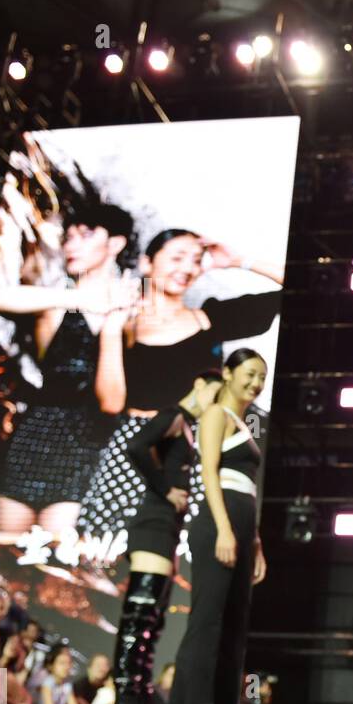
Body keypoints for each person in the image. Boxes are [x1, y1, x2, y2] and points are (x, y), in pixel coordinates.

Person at [76, 230, 282, 543]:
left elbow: (303, 290)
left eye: (196, 260)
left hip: (198, 448)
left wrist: (239, 261)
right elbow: (110, 403)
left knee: (188, 550)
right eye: (176, 257)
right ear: (147, 263)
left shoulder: (211, 318)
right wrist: (112, 329)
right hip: (136, 450)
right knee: (108, 548)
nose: (187, 267)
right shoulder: (121, 325)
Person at [0, 202, 139, 544]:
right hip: (35, 434)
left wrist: (112, 325)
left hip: (92, 442)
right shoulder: (54, 304)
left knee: (60, 566)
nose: (71, 245)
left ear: (116, 243)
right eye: (68, 236)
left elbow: (112, 402)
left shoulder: (136, 310)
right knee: (4, 552)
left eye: (85, 234)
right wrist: (78, 299)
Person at [103, 369, 224, 704]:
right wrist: (166, 489)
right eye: (215, 395)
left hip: (166, 531)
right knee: (138, 619)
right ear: (200, 385)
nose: (215, 405)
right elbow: (136, 447)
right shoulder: (173, 415)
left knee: (151, 624)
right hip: (153, 525)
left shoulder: (187, 426)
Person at [162, 349, 268, 704]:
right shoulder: (215, 416)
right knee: (206, 625)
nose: (256, 383)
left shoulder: (244, 422)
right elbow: (208, 473)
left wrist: (254, 542)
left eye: (262, 377)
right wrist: (225, 530)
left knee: (233, 631)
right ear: (227, 373)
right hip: (217, 523)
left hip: (242, 525)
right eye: (249, 374)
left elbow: (249, 489)